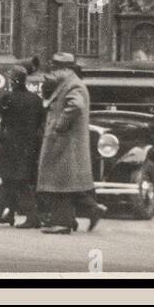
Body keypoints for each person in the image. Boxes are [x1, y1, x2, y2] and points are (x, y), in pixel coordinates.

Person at [36, 52, 106, 233]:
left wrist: (59, 125)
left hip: (66, 142)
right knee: (68, 183)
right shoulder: (68, 83)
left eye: (56, 69)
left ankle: (63, 223)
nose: (54, 73)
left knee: (61, 183)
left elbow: (76, 105)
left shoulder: (73, 85)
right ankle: (93, 210)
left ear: (66, 69)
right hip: (66, 143)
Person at [0, 64, 43, 228]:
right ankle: (4, 215)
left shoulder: (10, 98)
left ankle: (29, 217)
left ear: (13, 81)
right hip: (29, 148)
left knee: (13, 182)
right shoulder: (36, 99)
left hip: (10, 148)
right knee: (14, 182)